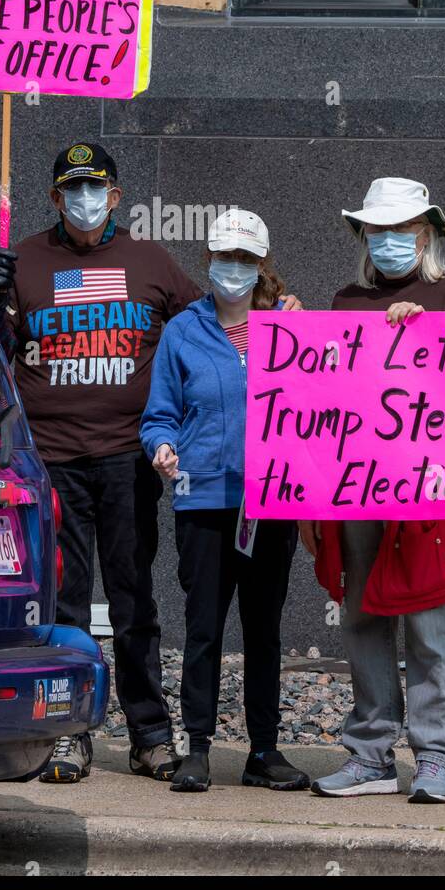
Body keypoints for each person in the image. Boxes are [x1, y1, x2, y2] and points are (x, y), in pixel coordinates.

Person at [0, 143, 301, 784]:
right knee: (65, 607)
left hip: (130, 460)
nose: (85, 199)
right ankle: (69, 733)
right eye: (72, 188)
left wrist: (283, 316)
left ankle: (151, 735)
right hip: (53, 460)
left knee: (134, 603)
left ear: (117, 196)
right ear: (53, 198)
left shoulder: (151, 261)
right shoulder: (26, 262)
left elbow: (213, 327)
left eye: (96, 187)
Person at [300, 178, 445, 805]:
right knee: (363, 617)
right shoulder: (345, 299)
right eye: (376, 231)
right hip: (358, 488)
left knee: (431, 621)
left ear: (426, 233)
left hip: (428, 491)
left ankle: (437, 756)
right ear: (363, 237)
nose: (387, 242)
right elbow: (325, 397)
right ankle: (371, 754)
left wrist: (425, 330)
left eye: (399, 230)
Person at [141, 209, 310, 793]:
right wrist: (162, 445)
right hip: (203, 501)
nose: (231, 268)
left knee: (263, 631)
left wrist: (310, 336)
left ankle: (264, 750)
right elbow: (159, 413)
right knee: (204, 629)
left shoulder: (289, 329)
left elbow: (323, 400)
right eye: (222, 257)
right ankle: (198, 748)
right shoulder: (183, 330)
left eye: (243, 259)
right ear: (208, 259)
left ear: (260, 264)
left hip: (270, 502)